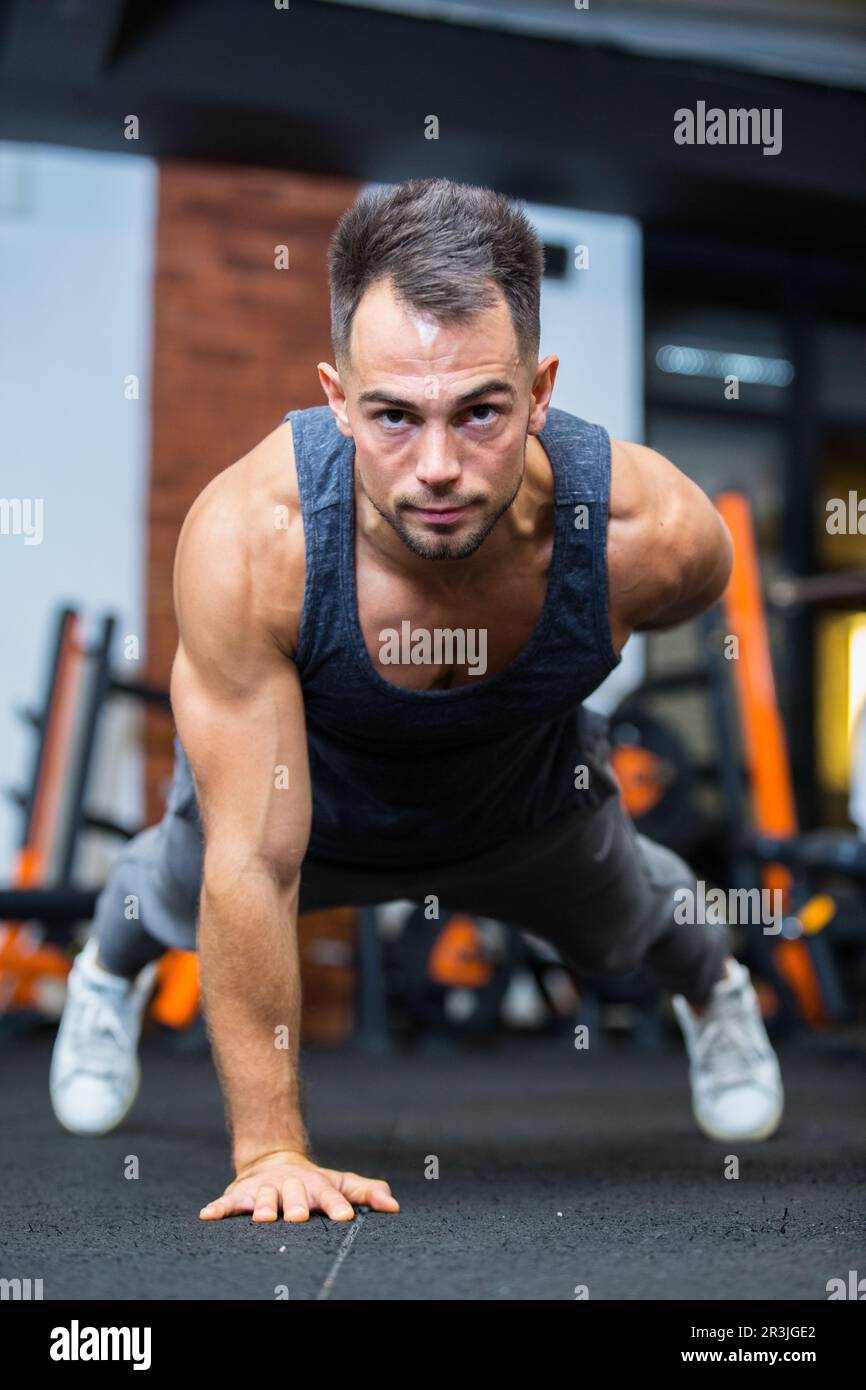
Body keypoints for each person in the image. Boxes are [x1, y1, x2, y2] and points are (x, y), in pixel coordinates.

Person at [50, 177, 784, 1225]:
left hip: (523, 807)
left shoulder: (652, 539)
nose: (436, 467)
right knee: (168, 886)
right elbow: (253, 862)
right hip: (312, 810)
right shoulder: (254, 543)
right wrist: (269, 1152)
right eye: (392, 415)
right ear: (336, 398)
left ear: (539, 393)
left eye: (479, 411)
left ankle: (717, 999)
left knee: (637, 917)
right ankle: (100, 981)